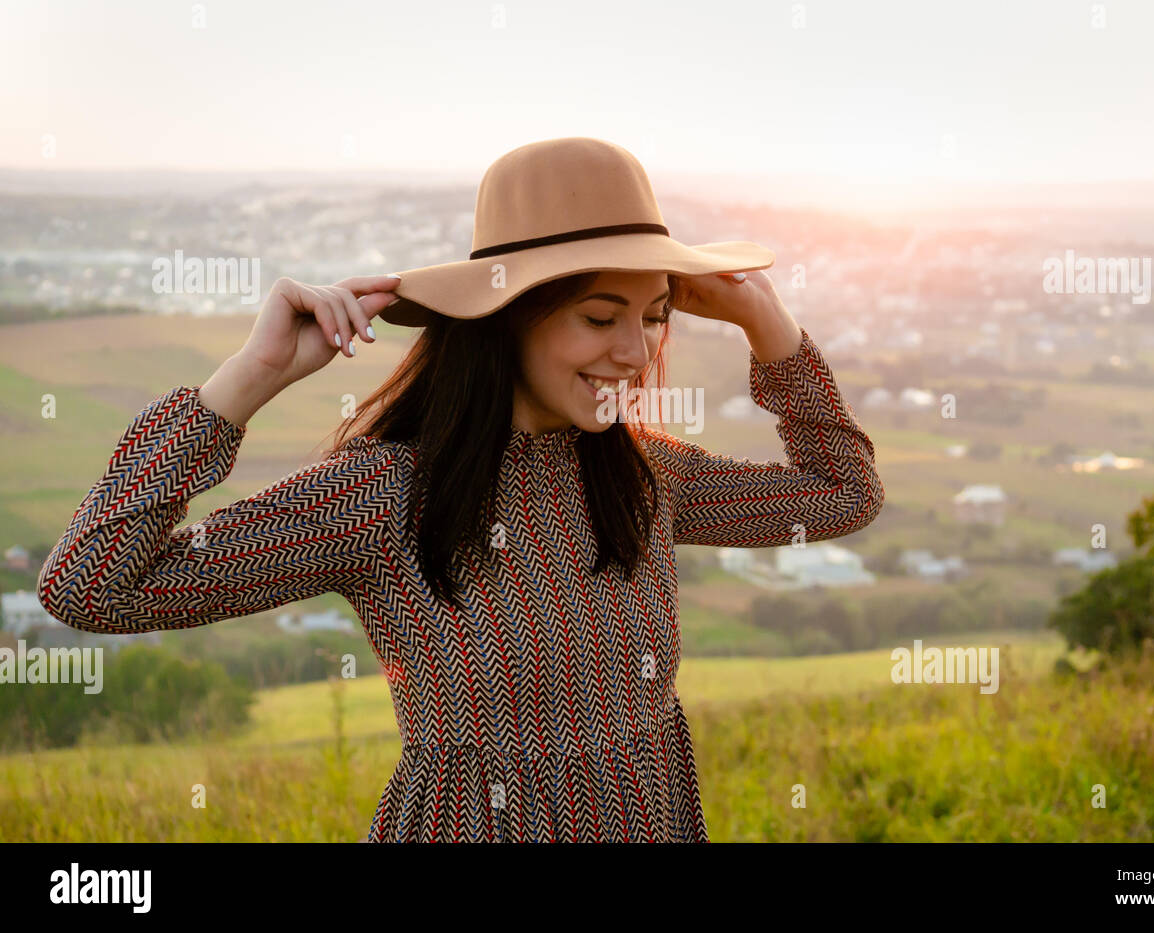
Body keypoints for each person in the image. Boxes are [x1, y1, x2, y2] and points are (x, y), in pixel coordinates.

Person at [38, 137, 884, 842]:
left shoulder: (642, 473)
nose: (635, 348)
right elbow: (91, 588)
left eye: (655, 313)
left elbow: (842, 493)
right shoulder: (383, 494)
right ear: (508, 313)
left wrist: (770, 328)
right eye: (600, 315)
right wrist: (246, 380)